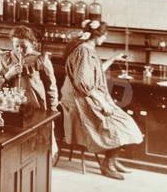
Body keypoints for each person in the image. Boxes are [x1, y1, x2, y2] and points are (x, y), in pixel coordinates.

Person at [60, 19, 143, 180]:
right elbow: (83, 82)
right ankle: (108, 163)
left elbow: (94, 73)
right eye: (105, 35)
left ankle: (112, 158)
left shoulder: (85, 48)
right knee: (122, 124)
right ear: (98, 35)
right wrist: (102, 102)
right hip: (80, 101)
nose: (105, 39)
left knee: (124, 121)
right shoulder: (84, 51)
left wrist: (114, 58)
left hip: (85, 97)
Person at [0, 25, 59, 160]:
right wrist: (9, 74)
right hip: (12, 108)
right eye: (16, 46)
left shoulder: (41, 59)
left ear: (33, 43)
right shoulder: (6, 58)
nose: (19, 50)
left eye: (23, 46)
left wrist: (52, 110)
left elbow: (51, 86)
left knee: (38, 144)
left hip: (36, 107)